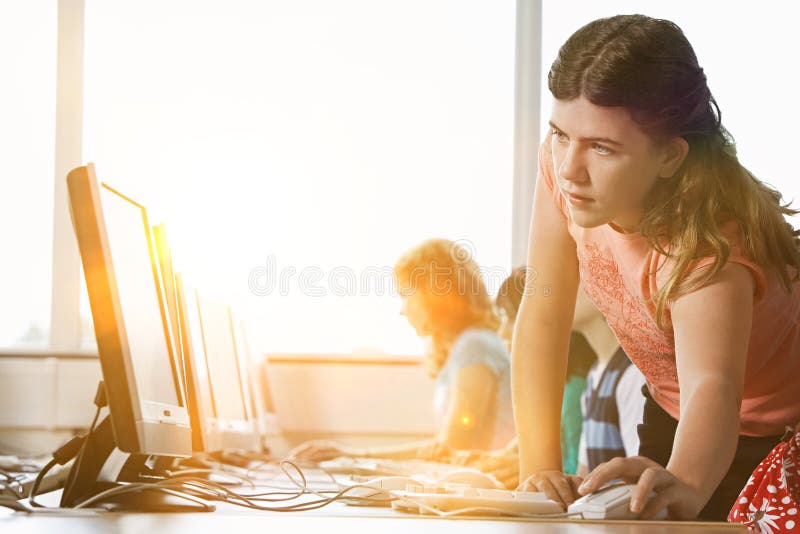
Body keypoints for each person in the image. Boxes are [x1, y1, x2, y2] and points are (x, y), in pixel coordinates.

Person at [512, 14, 800, 521]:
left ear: (670, 156)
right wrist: (539, 470)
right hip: (674, 408)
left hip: (774, 433)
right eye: (561, 134)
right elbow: (541, 313)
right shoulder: (564, 170)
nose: (569, 168)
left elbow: (715, 386)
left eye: (602, 147)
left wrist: (687, 482)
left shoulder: (708, 244)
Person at [290, 238, 514, 462]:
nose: (402, 310)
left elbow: (452, 447)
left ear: (434, 294)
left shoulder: (475, 346)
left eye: (406, 295)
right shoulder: (466, 347)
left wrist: (355, 456)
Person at [497, 267, 596, 475]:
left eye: (509, 317)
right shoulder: (547, 391)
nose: (502, 332)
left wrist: (517, 470)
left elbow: (578, 473)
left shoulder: (574, 391)